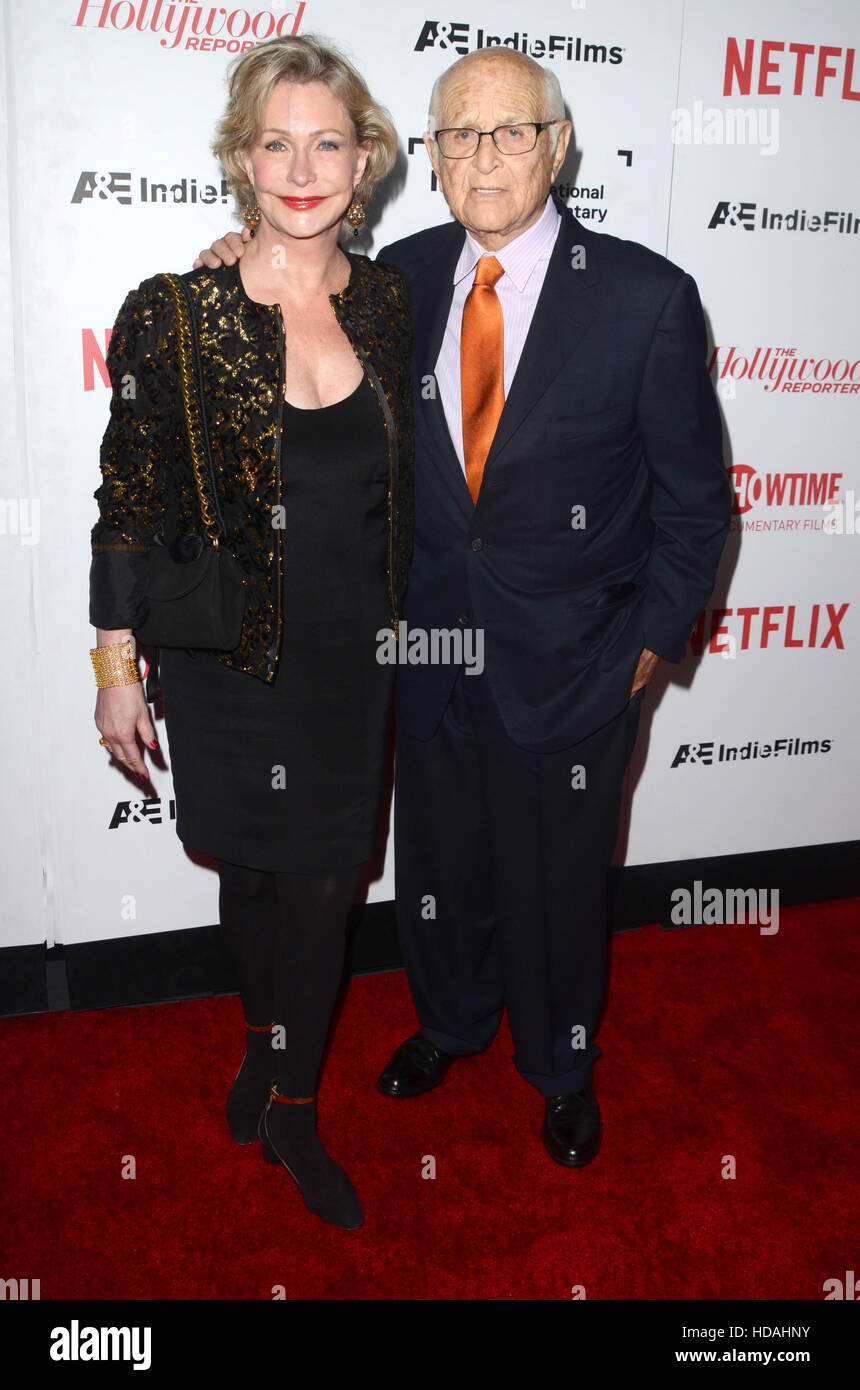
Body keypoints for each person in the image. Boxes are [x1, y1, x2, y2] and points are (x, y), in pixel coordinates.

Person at [199, 46, 731, 1169]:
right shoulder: (395, 276)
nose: (482, 156)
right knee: (438, 868)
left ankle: (559, 1066)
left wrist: (644, 652)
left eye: (508, 131)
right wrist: (231, 266)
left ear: (557, 144)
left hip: (576, 666)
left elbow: (696, 511)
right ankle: (447, 1023)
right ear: (428, 156)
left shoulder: (645, 300)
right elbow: (299, 340)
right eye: (457, 134)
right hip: (426, 648)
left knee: (556, 886)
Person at [89, 34, 413, 1229]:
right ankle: (261, 1033)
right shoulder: (174, 311)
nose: (301, 164)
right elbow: (128, 494)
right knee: (250, 877)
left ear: (365, 157)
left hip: (352, 663)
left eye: (326, 139)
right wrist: (116, 667)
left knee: (327, 885)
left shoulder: (389, 304)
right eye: (274, 140)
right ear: (239, 157)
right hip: (226, 662)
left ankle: (290, 1101)